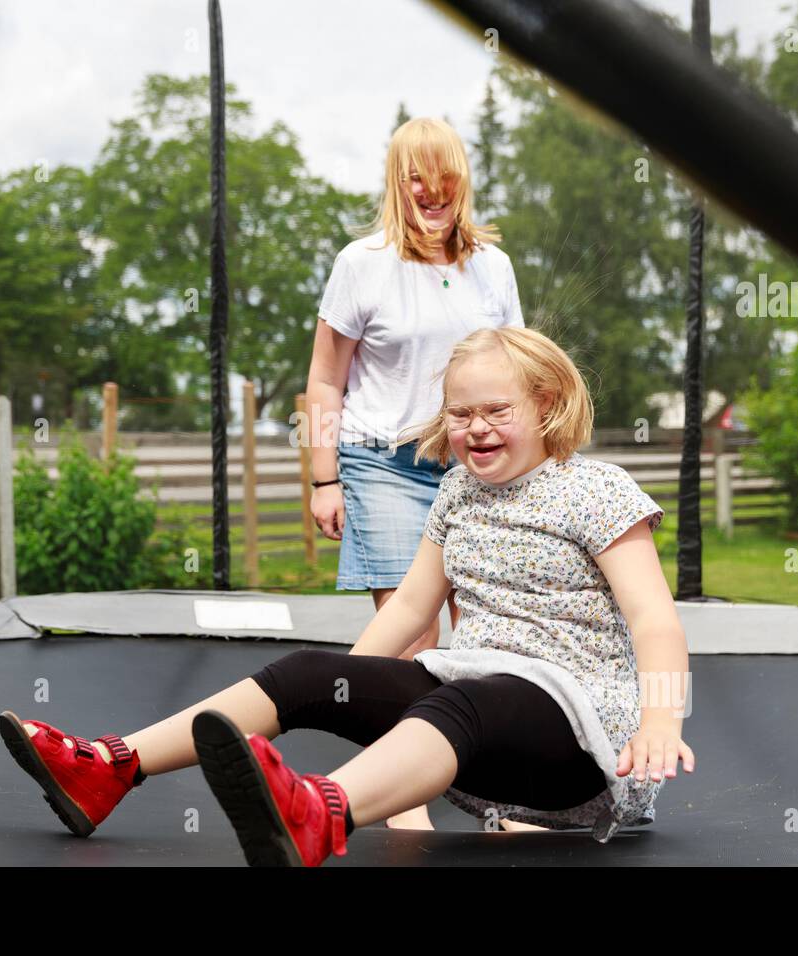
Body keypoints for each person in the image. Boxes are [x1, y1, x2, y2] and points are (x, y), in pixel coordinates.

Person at [0, 326, 695, 867]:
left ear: (546, 406)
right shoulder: (456, 493)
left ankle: (319, 813)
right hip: (482, 707)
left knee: (470, 696)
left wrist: (659, 721)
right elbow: (412, 610)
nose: (476, 428)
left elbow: (653, 620)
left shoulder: (595, 490)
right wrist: (345, 690)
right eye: (460, 413)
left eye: (496, 410)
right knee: (308, 672)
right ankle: (108, 769)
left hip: (585, 740)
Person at [305, 116, 526, 829]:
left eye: (444, 177)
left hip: (477, 467)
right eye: (416, 178)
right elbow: (323, 380)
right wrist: (323, 477)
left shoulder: (491, 266)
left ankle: (504, 795)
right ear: (398, 183)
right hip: (384, 465)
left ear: (462, 180)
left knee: (491, 640)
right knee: (413, 640)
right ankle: (404, 810)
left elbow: (519, 369)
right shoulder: (361, 262)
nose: (432, 191)